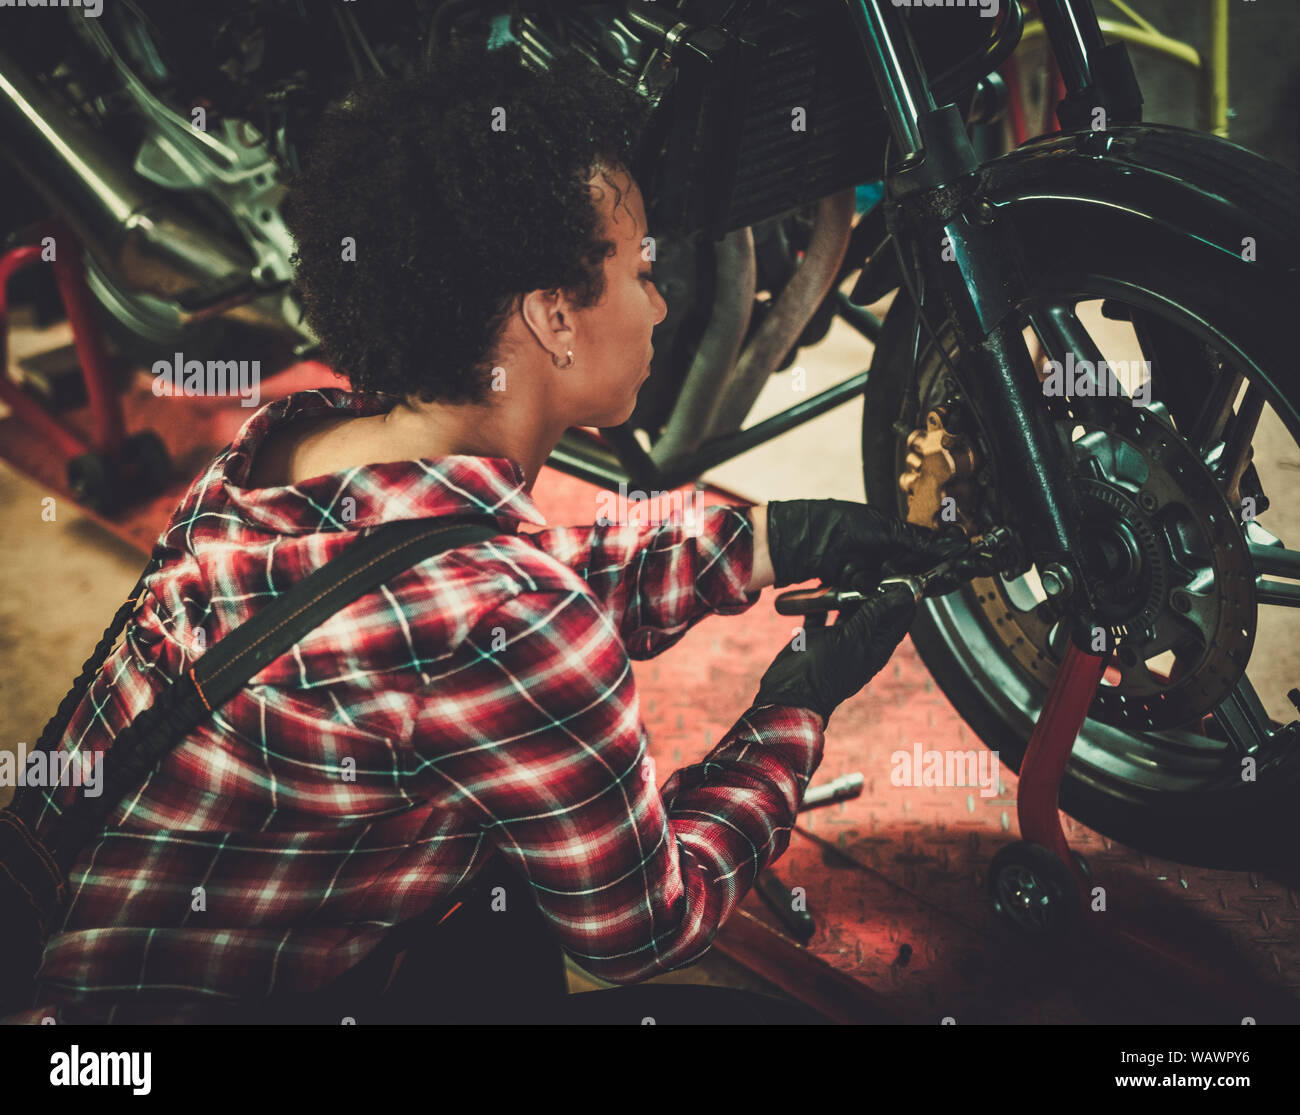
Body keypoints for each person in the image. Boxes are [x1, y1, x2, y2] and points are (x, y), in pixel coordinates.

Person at [5, 37, 960, 1026]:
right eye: (641, 269)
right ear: (553, 317)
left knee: (502, 874)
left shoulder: (291, 445)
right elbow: (645, 927)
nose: (662, 301)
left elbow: (466, 612)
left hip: (70, 974)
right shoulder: (510, 617)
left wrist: (767, 540)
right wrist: (794, 709)